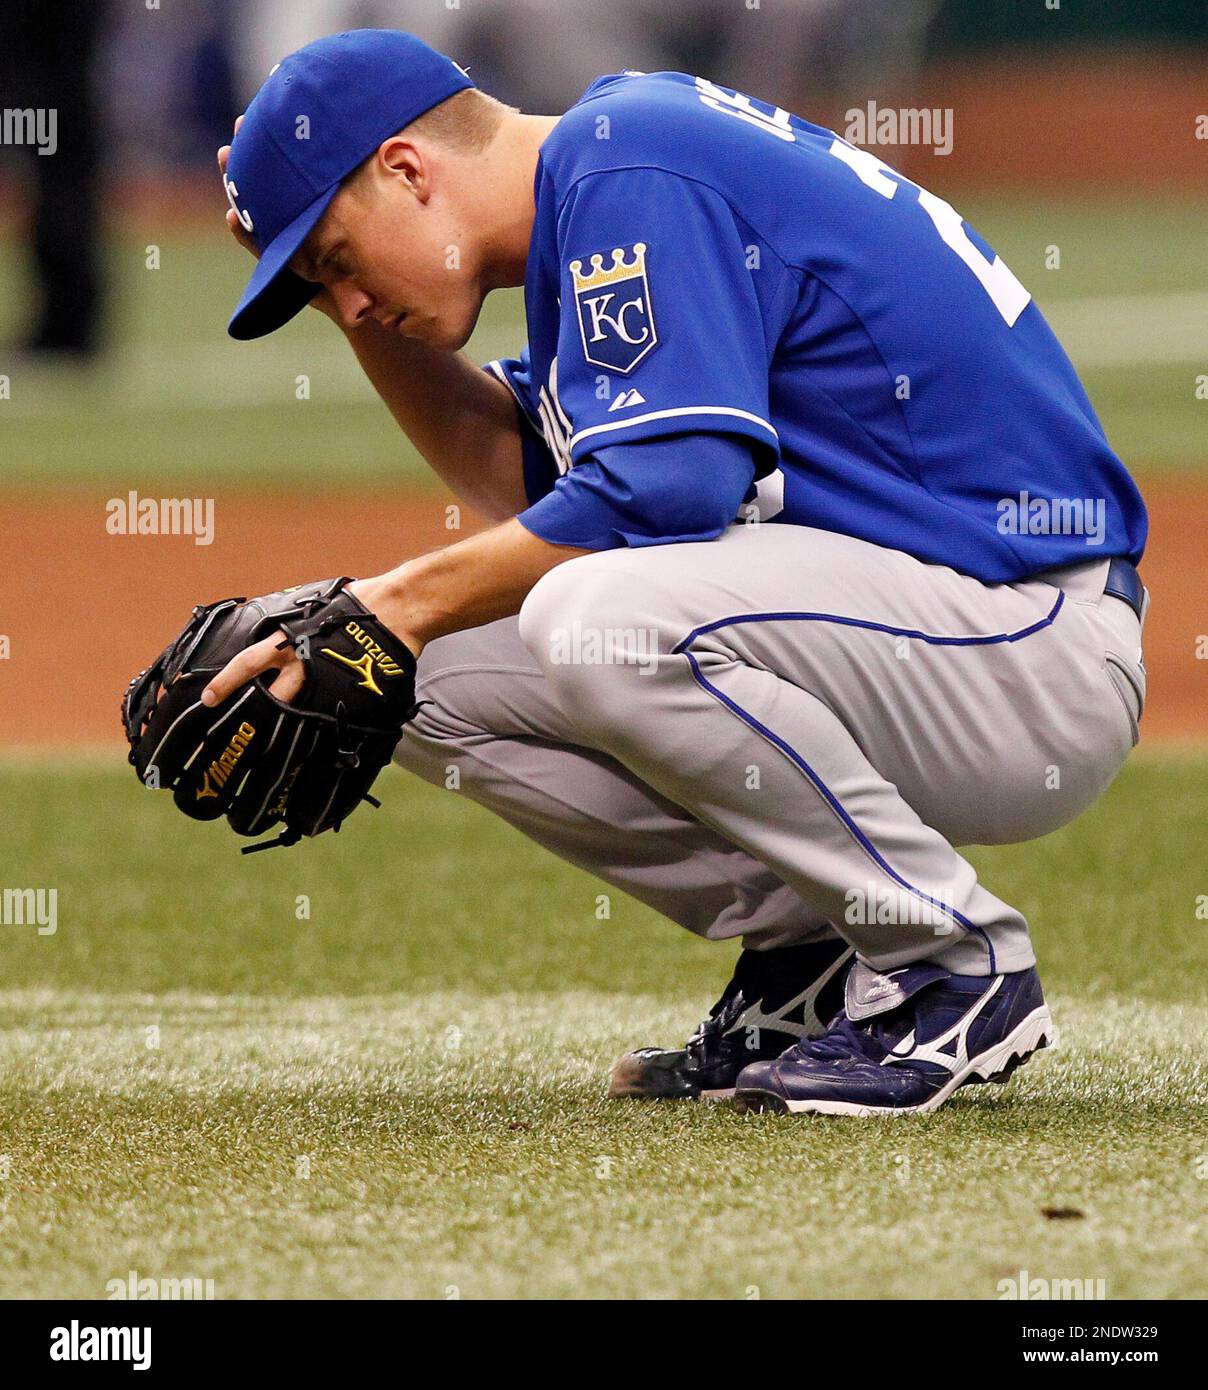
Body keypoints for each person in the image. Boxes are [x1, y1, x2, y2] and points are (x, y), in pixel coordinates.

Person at [205, 30, 1148, 1116]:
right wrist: (387, 620)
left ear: (408, 170)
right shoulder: (604, 179)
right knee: (402, 671)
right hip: (924, 624)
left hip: (1024, 634)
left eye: (334, 261)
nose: (353, 303)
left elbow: (668, 491)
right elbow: (536, 491)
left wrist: (399, 601)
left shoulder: (631, 158)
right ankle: (809, 954)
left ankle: (949, 966)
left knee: (586, 614)